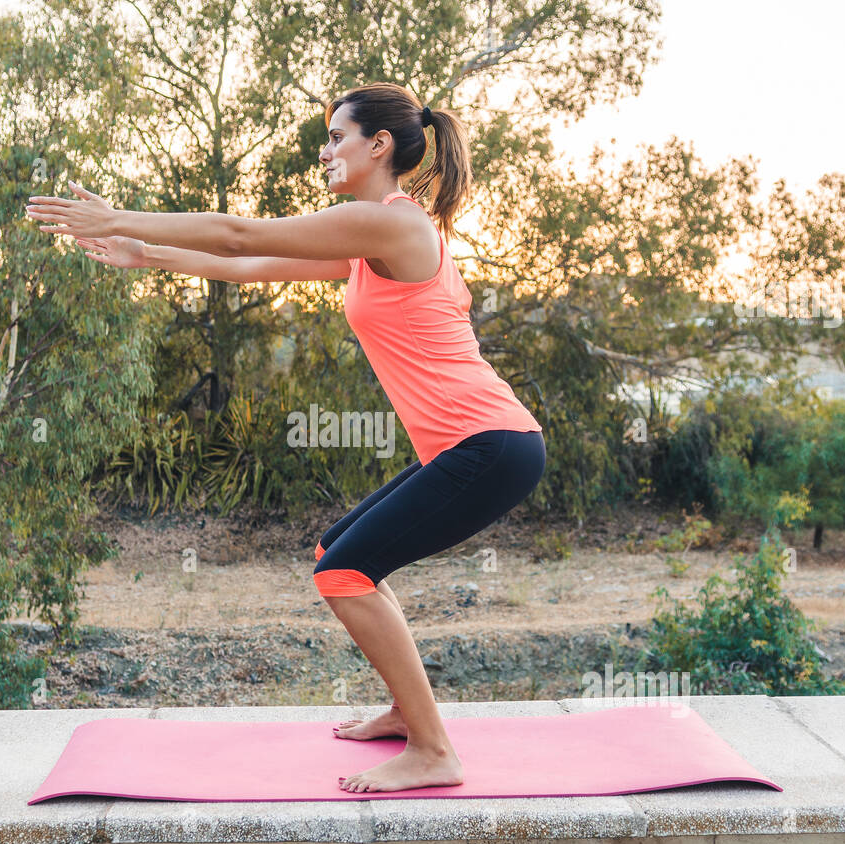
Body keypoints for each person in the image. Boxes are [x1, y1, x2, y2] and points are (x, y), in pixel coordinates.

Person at [26, 81, 545, 793]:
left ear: (380, 145)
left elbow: (240, 231)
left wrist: (117, 212)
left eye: (337, 137)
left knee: (343, 574)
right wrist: (144, 253)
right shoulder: (373, 235)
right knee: (340, 553)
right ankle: (406, 713)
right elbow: (248, 262)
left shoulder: (394, 224)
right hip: (477, 446)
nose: (325, 151)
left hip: (492, 444)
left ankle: (434, 750)